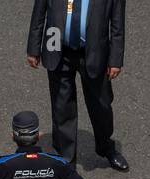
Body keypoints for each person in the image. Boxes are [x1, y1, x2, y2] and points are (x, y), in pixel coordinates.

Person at [25, 0, 128, 170]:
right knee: (61, 107)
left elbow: (117, 24)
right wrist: (33, 48)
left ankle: (106, 148)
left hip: (94, 51)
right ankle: (65, 160)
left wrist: (115, 59)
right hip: (57, 45)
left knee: (101, 105)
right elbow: (39, 12)